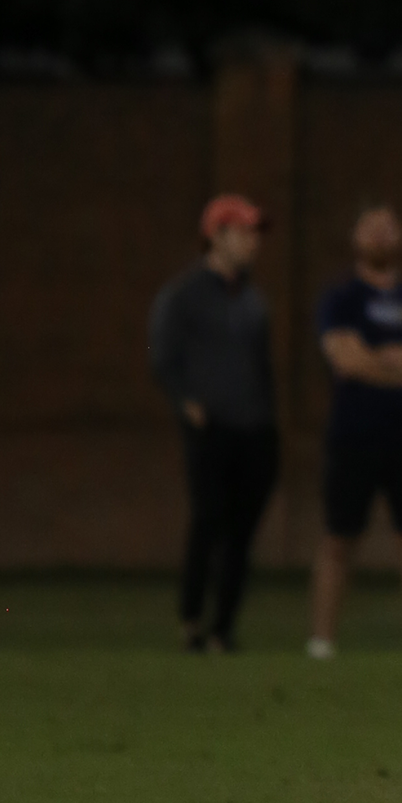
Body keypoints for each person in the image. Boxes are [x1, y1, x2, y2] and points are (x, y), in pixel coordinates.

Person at [148, 194, 279, 653]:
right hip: (212, 430)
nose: (252, 242)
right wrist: (188, 403)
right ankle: (191, 619)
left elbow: (261, 366)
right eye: (243, 232)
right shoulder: (184, 295)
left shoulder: (251, 298)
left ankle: (223, 627)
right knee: (208, 523)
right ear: (216, 235)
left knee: (242, 533)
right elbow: (164, 355)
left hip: (253, 429)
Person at [308, 206, 402, 660]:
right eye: (371, 227)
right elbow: (345, 359)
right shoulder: (341, 299)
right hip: (354, 436)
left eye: (389, 225)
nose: (381, 234)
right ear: (355, 237)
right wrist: (397, 362)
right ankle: (322, 642)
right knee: (338, 538)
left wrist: (377, 359)